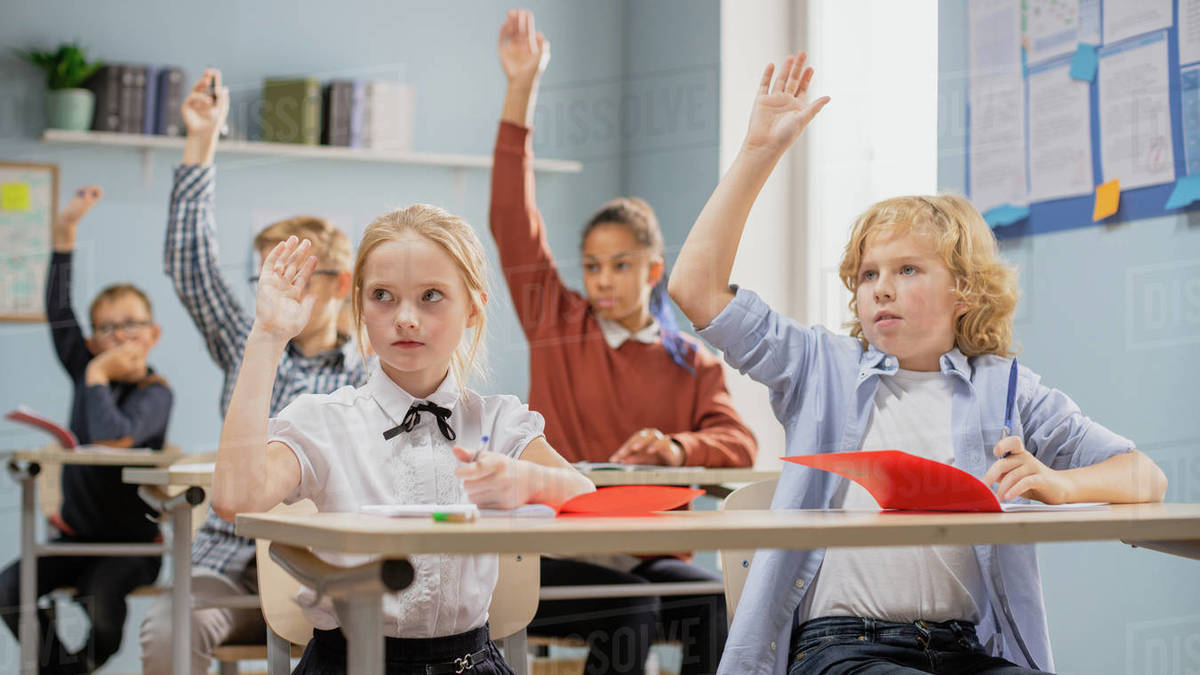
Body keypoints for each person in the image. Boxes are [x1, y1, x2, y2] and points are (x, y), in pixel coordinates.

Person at [668, 51, 1169, 674]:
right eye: (868, 274)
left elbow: (1145, 478)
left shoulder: (1006, 391)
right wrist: (757, 151)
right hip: (841, 648)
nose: (881, 287)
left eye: (908, 270)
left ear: (964, 290)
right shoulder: (819, 367)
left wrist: (1061, 484)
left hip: (964, 650)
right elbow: (695, 289)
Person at [212, 203, 595, 674]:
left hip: (470, 663)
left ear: (473, 308)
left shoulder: (499, 422)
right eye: (383, 296)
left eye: (431, 295)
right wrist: (267, 337)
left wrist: (526, 479)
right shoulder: (323, 420)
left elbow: (587, 502)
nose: (406, 318)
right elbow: (234, 498)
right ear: (360, 307)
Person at [491, 10, 755, 673]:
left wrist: (675, 446)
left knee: (716, 602)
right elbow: (509, 219)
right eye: (592, 265)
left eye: (620, 265)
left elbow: (738, 446)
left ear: (654, 271)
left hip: (643, 546)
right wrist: (520, 90)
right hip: (556, 546)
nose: (602, 280)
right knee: (632, 609)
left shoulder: (691, 362)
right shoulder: (557, 320)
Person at [140, 69, 367, 674]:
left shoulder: (372, 377)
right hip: (226, 569)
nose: (278, 290)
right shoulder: (248, 341)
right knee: (166, 633)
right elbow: (191, 268)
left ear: (339, 285)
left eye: (295, 275)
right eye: (268, 276)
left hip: (324, 574)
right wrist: (202, 140)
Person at [0, 186, 172, 673]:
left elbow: (116, 437)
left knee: (102, 613)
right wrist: (64, 234)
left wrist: (97, 376)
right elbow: (59, 310)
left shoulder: (156, 393)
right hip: (74, 540)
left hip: (131, 548)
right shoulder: (84, 365)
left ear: (153, 334)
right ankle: (60, 669)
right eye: (108, 329)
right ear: (93, 340)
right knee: (9, 589)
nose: (121, 337)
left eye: (132, 325)